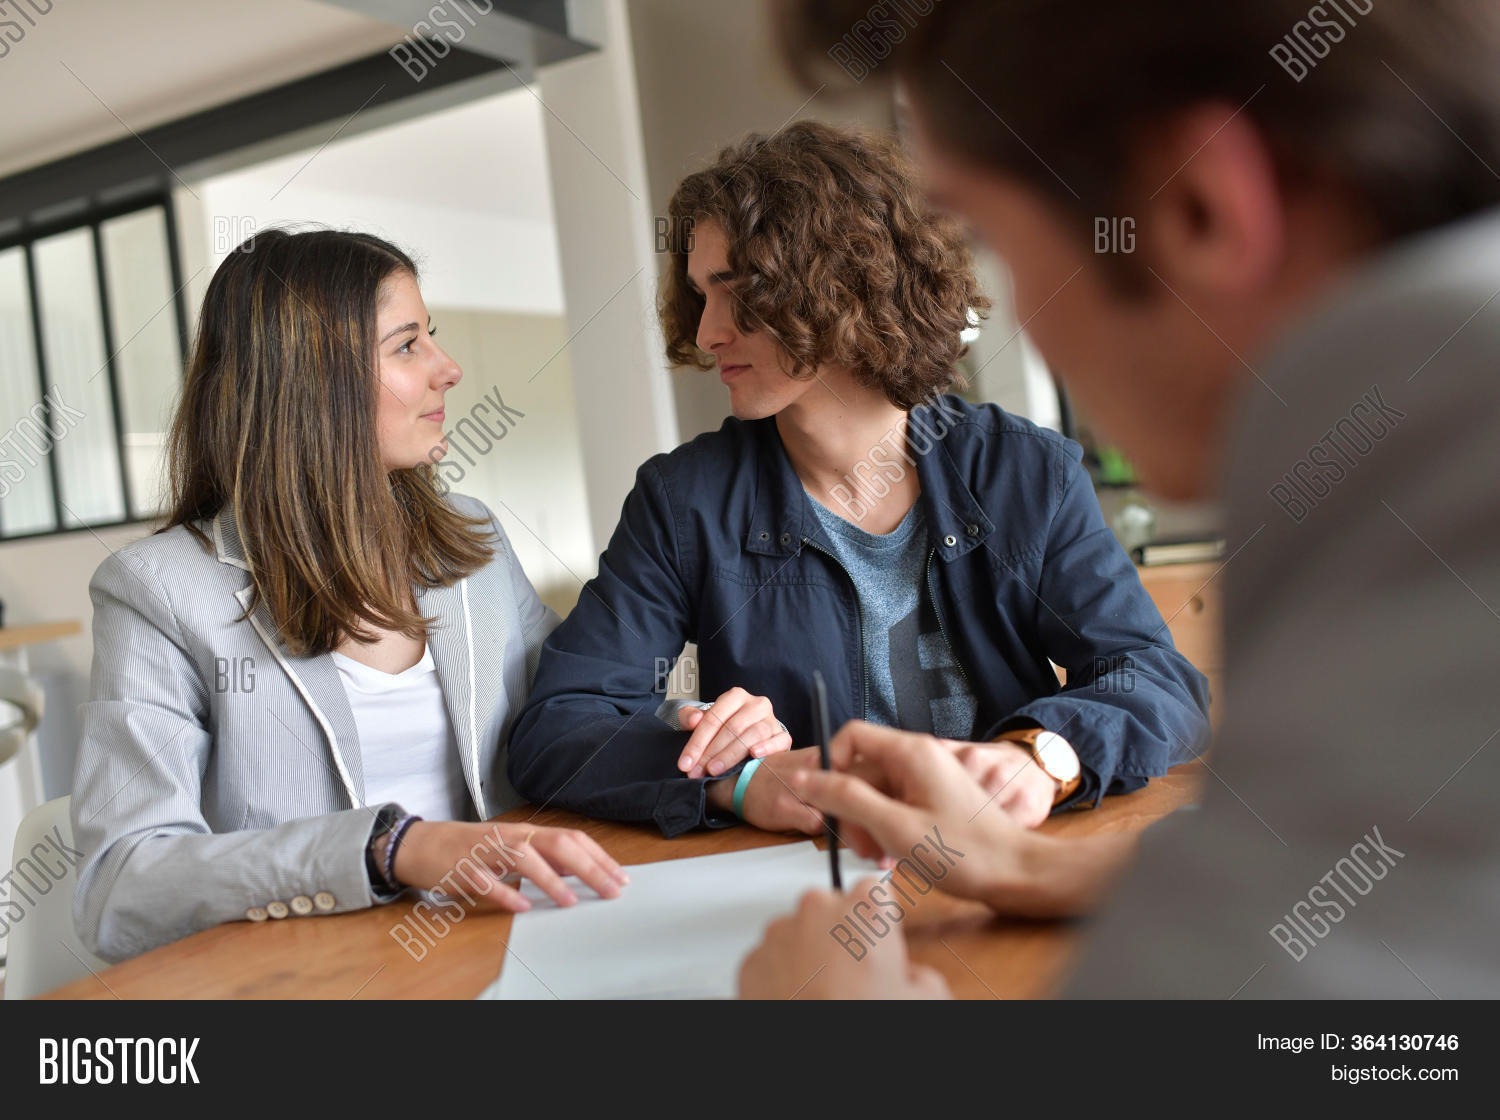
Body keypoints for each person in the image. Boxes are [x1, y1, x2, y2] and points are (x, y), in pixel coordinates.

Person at [739, 0, 1500, 998]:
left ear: (1200, 209)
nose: (1021, 320)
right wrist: (1034, 864)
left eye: (987, 237)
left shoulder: (1439, 455)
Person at [508, 121, 1210, 840]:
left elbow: (1155, 678)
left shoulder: (1027, 473)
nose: (707, 332)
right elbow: (559, 726)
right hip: (813, 874)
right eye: (700, 296)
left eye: (734, 291)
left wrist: (1040, 757)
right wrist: (735, 781)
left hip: (1009, 856)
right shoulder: (683, 502)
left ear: (840, 289)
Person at [72, 228, 627, 962]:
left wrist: (692, 727)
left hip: (505, 941)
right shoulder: (157, 591)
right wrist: (390, 848)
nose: (448, 369)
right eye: (408, 346)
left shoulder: (469, 538)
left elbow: (571, 706)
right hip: (316, 979)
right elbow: (119, 886)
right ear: (312, 382)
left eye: (432, 337)